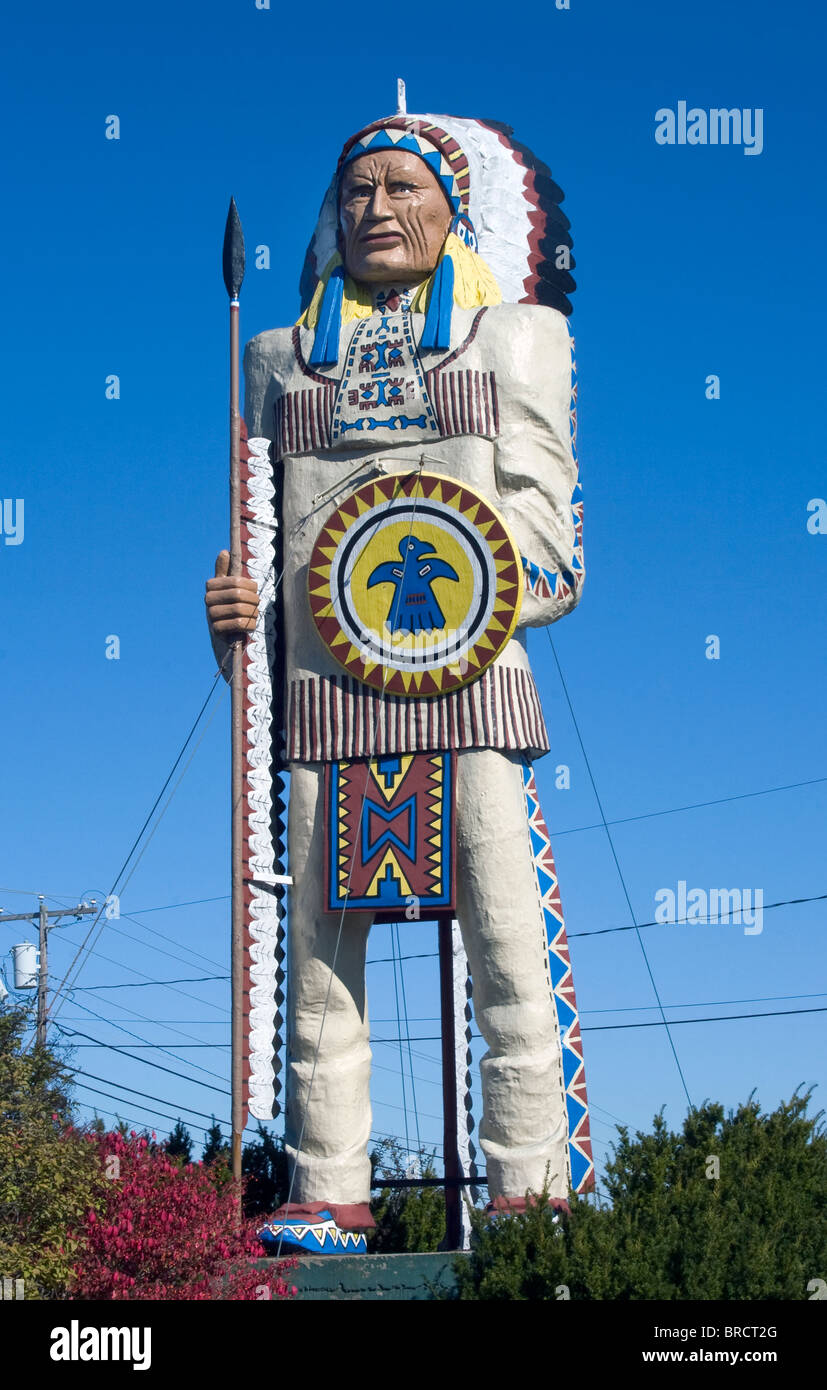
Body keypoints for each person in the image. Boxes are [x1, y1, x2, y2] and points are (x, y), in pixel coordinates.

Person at [206, 109, 589, 1248]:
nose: (376, 208)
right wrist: (238, 620)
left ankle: (529, 1190)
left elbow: (554, 542)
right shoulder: (278, 357)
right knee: (318, 961)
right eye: (355, 190)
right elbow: (265, 544)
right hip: (328, 703)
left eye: (400, 187)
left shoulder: (512, 340)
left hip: (468, 688)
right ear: (331, 216)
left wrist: (469, 581)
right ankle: (324, 1185)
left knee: (505, 939)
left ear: (450, 209)